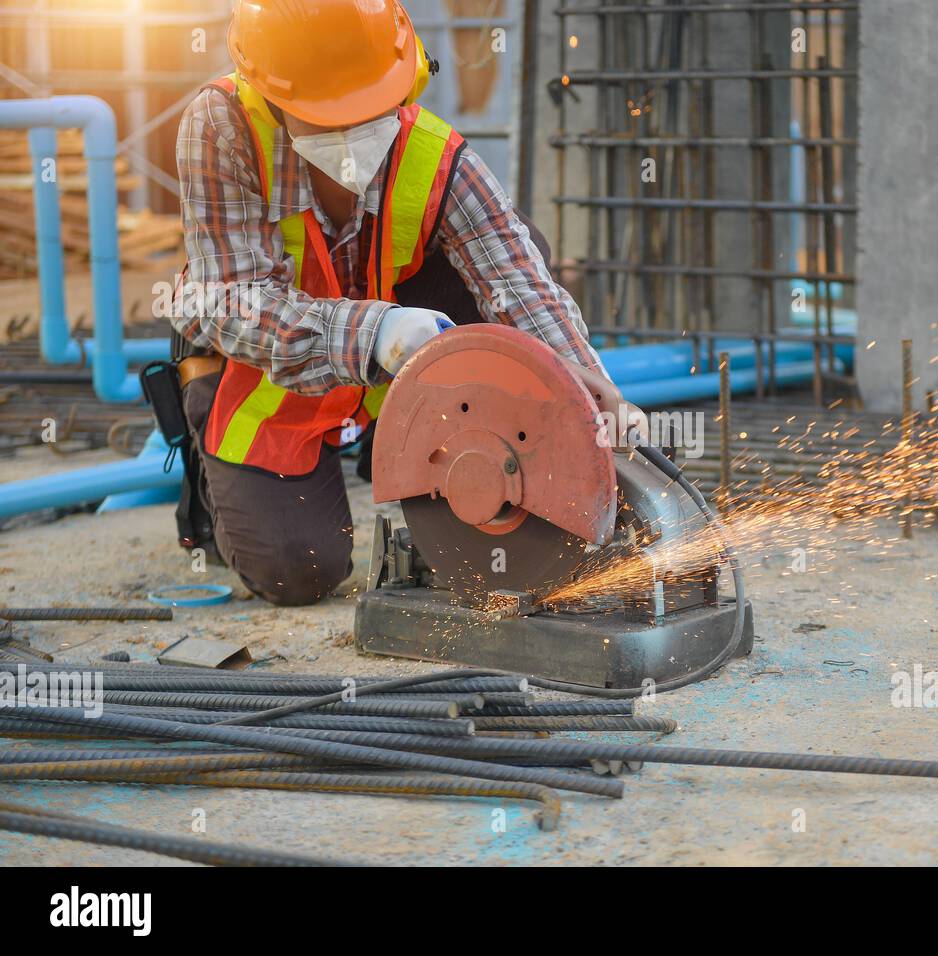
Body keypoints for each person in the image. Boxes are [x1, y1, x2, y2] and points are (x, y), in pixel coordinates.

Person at [168, 0, 638, 605]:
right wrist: (375, 333)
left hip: (401, 366)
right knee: (298, 571)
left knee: (527, 249)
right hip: (266, 368)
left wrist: (586, 388)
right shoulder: (219, 127)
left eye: (371, 110)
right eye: (328, 118)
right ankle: (218, 464)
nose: (355, 134)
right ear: (273, 98)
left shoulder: (431, 149)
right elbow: (229, 298)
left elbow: (518, 279)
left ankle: (421, 463)